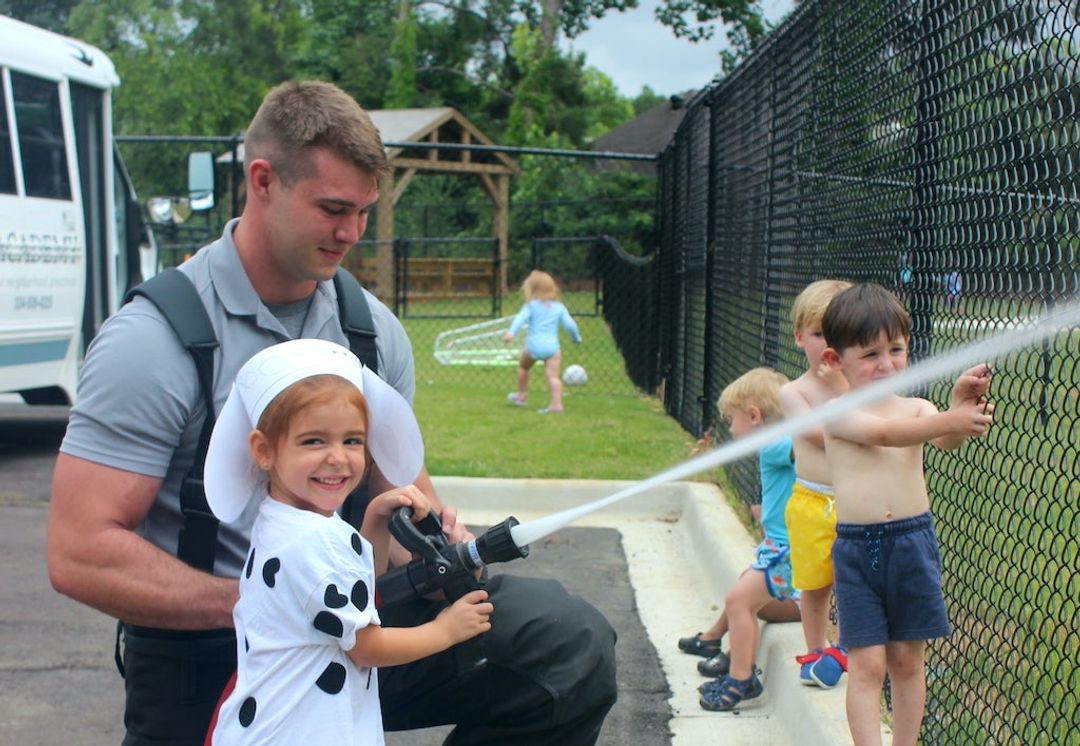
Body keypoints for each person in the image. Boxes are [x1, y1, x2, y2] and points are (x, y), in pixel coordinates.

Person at [47, 80, 616, 746]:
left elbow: (408, 495)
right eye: (333, 209)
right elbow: (79, 552)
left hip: (357, 620)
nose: (352, 233)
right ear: (263, 181)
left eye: (365, 212)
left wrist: (436, 552)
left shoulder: (369, 332)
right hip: (211, 651)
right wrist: (267, 603)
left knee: (568, 646)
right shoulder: (154, 341)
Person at [204, 339, 493, 743]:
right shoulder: (312, 539)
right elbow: (365, 647)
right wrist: (445, 631)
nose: (338, 457)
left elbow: (355, 588)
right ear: (264, 450)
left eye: (352, 440)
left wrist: (374, 519)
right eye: (314, 441)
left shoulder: (285, 519)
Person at [819, 283, 992, 746]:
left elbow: (944, 439)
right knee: (868, 663)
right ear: (836, 361)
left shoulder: (919, 407)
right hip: (859, 550)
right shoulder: (837, 412)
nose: (886, 363)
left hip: (912, 542)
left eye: (895, 349)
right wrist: (946, 421)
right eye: (870, 354)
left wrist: (958, 407)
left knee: (907, 661)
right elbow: (887, 434)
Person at [676, 368, 801, 712]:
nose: (730, 429)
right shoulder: (776, 443)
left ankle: (742, 678)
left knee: (740, 601)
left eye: (731, 420)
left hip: (790, 561)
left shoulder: (778, 443)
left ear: (754, 416)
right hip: (782, 553)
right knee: (742, 592)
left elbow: (803, 447)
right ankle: (719, 644)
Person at [776, 278, 852, 688]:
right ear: (799, 337)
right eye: (820, 333)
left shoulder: (859, 388)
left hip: (853, 501)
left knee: (851, 579)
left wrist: (843, 382)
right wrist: (839, 387)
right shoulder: (793, 393)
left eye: (839, 334)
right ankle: (816, 648)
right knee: (814, 582)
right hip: (810, 500)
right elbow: (821, 435)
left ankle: (844, 647)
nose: (829, 343)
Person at [502, 269, 582, 413]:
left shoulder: (531, 306)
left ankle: (521, 395)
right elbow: (570, 325)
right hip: (552, 349)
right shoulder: (559, 307)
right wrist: (576, 338)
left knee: (523, 367)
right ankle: (556, 404)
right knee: (553, 376)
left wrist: (511, 333)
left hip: (533, 347)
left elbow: (520, 319)